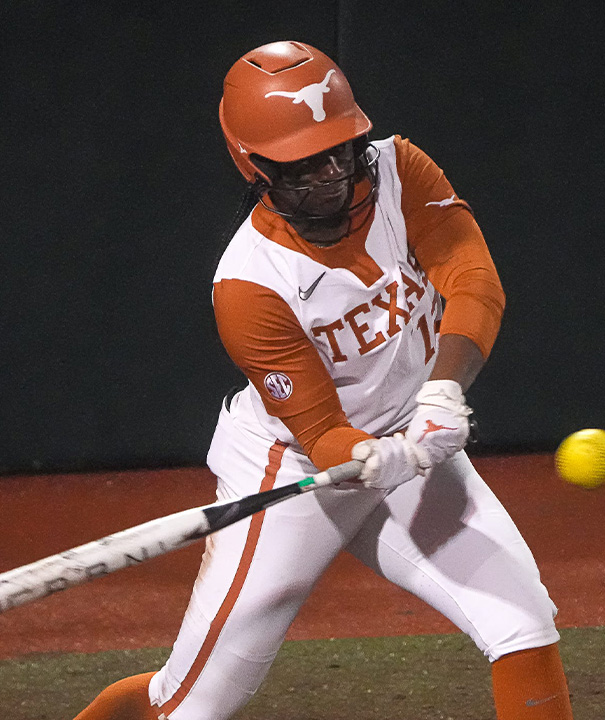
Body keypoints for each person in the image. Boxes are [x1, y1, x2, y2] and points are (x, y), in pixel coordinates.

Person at [71, 41, 573, 720]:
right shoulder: (248, 285)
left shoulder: (401, 172)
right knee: (190, 706)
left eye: (339, 148)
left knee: (523, 624)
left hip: (414, 440)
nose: (332, 172)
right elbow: (319, 431)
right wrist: (366, 454)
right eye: (304, 163)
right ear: (256, 166)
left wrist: (443, 391)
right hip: (293, 471)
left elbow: (472, 279)